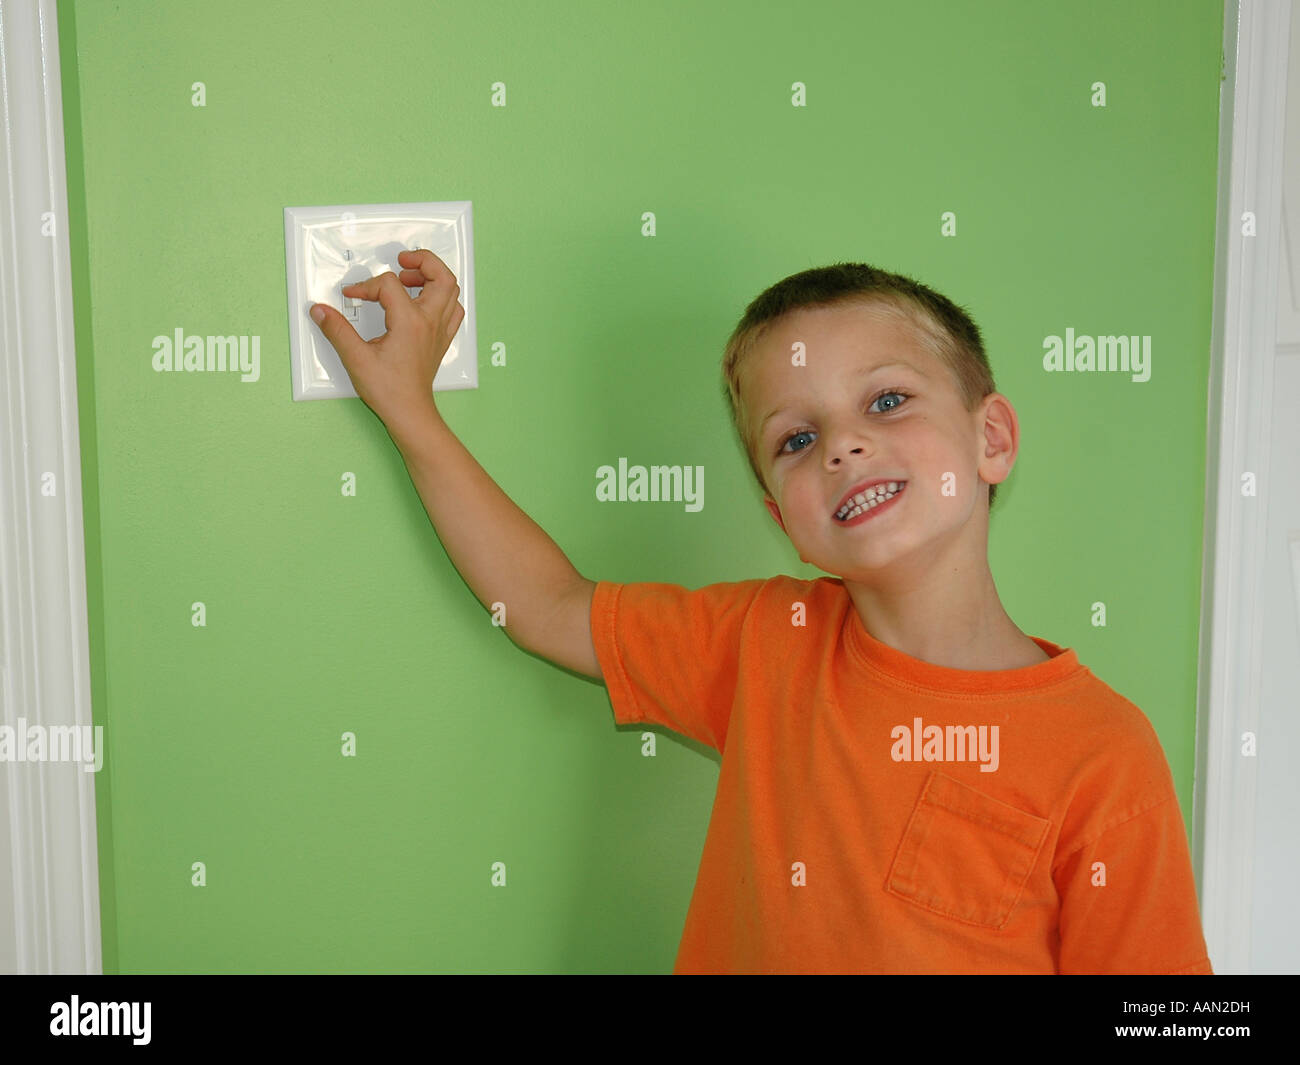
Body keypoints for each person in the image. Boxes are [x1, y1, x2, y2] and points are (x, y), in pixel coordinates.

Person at [309, 251, 1213, 975]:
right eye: (797, 438)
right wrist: (409, 409)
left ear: (992, 439)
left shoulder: (1103, 754)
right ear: (785, 520)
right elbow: (547, 605)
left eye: (887, 400)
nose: (844, 446)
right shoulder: (765, 642)